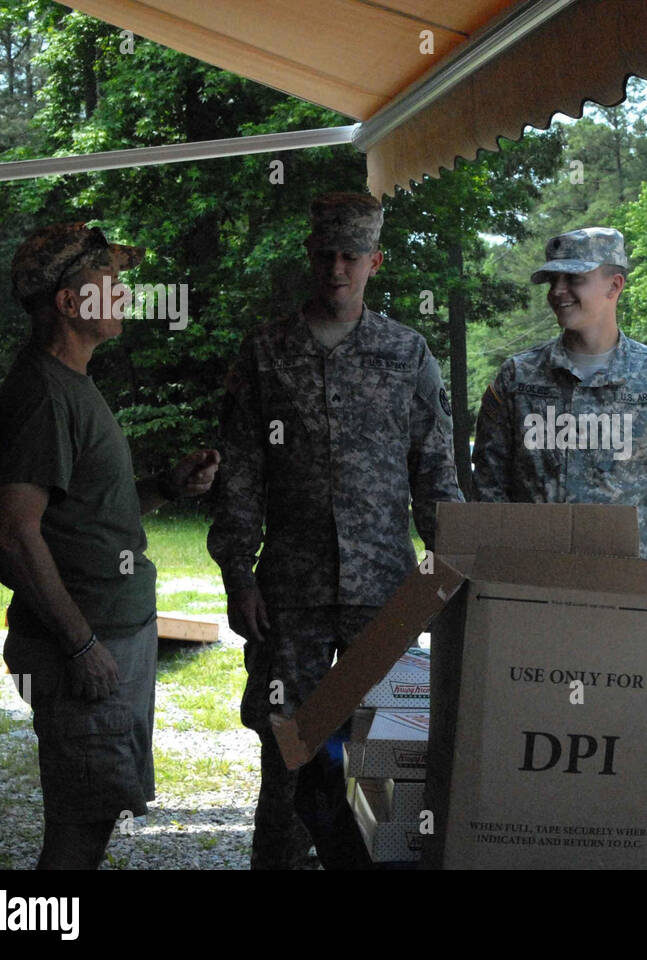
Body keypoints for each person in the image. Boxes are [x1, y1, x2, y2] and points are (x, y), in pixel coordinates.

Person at [207, 192, 463, 869]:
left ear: (375, 262)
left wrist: (451, 572)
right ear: (310, 257)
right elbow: (240, 473)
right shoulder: (266, 352)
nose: (338, 269)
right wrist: (237, 573)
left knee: (386, 757)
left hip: (383, 595)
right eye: (326, 255)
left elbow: (434, 471)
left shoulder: (406, 354)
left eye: (352, 257)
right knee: (288, 754)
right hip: (290, 598)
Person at [0, 223, 220, 869]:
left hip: (109, 640)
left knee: (93, 816)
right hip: (84, 650)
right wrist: (81, 644)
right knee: (79, 830)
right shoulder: (43, 393)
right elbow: (13, 531)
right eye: (108, 280)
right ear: (68, 302)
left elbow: (83, 514)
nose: (122, 292)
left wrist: (167, 486)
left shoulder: (71, 384)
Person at [472, 227, 647, 565]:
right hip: (530, 580)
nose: (558, 291)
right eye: (553, 280)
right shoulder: (518, 377)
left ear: (615, 285)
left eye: (573, 278)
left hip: (623, 586)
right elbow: (488, 491)